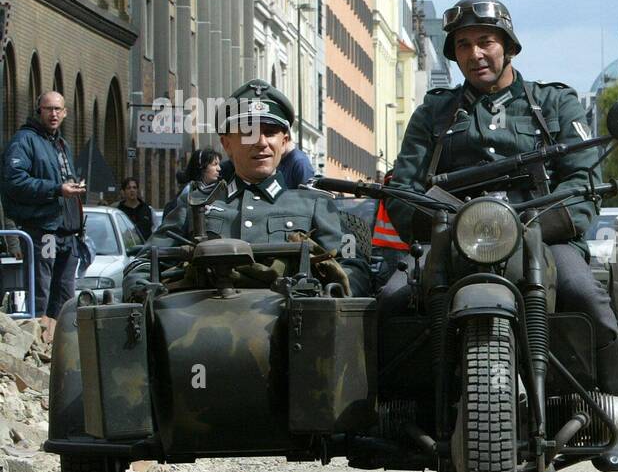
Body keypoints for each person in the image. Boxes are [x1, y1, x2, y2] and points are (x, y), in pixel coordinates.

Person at [386, 0, 618, 472]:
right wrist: (436, 224)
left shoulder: (555, 102)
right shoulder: (434, 113)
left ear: (509, 46)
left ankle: (609, 414)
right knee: (393, 299)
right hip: (451, 237)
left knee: (587, 297)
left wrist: (533, 224)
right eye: (463, 45)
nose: (475, 54)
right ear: (453, 55)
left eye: (486, 42)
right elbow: (404, 186)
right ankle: (396, 418)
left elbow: (582, 182)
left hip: (543, 235)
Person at [126, 79, 369, 297]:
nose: (261, 142)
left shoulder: (316, 204)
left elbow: (353, 265)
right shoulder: (196, 203)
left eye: (271, 132)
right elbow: (145, 261)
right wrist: (141, 290)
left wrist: (334, 294)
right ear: (227, 144)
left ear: (284, 142)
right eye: (248, 132)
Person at [0, 91, 86, 321]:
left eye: (58, 109)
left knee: (66, 299)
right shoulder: (24, 140)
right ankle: (41, 346)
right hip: (44, 232)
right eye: (49, 109)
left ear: (65, 113)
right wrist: (57, 189)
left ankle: (60, 349)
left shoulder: (60, 143)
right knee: (42, 293)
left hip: (69, 234)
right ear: (39, 111)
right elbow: (14, 182)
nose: (54, 113)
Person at [116, 177, 154, 241]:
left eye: (134, 187)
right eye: (128, 188)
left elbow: (154, 231)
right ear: (123, 191)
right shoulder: (119, 211)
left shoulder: (147, 209)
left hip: (145, 248)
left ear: (137, 190)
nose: (132, 190)